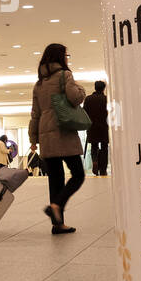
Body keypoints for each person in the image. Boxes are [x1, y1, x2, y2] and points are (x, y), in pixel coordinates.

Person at [29, 43, 86, 234]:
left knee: (56, 179)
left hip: (46, 134)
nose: (68, 58)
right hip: (63, 131)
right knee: (78, 174)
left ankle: (58, 224)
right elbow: (75, 98)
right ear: (60, 57)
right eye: (66, 55)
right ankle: (57, 206)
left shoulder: (39, 84)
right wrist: (81, 89)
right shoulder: (65, 75)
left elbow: (35, 114)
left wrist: (33, 138)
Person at [85, 80, 109, 176]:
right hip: (103, 127)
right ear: (104, 88)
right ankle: (103, 169)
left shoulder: (88, 99)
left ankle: (95, 161)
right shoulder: (106, 99)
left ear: (95, 87)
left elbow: (85, 113)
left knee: (94, 147)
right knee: (104, 148)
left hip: (92, 127)